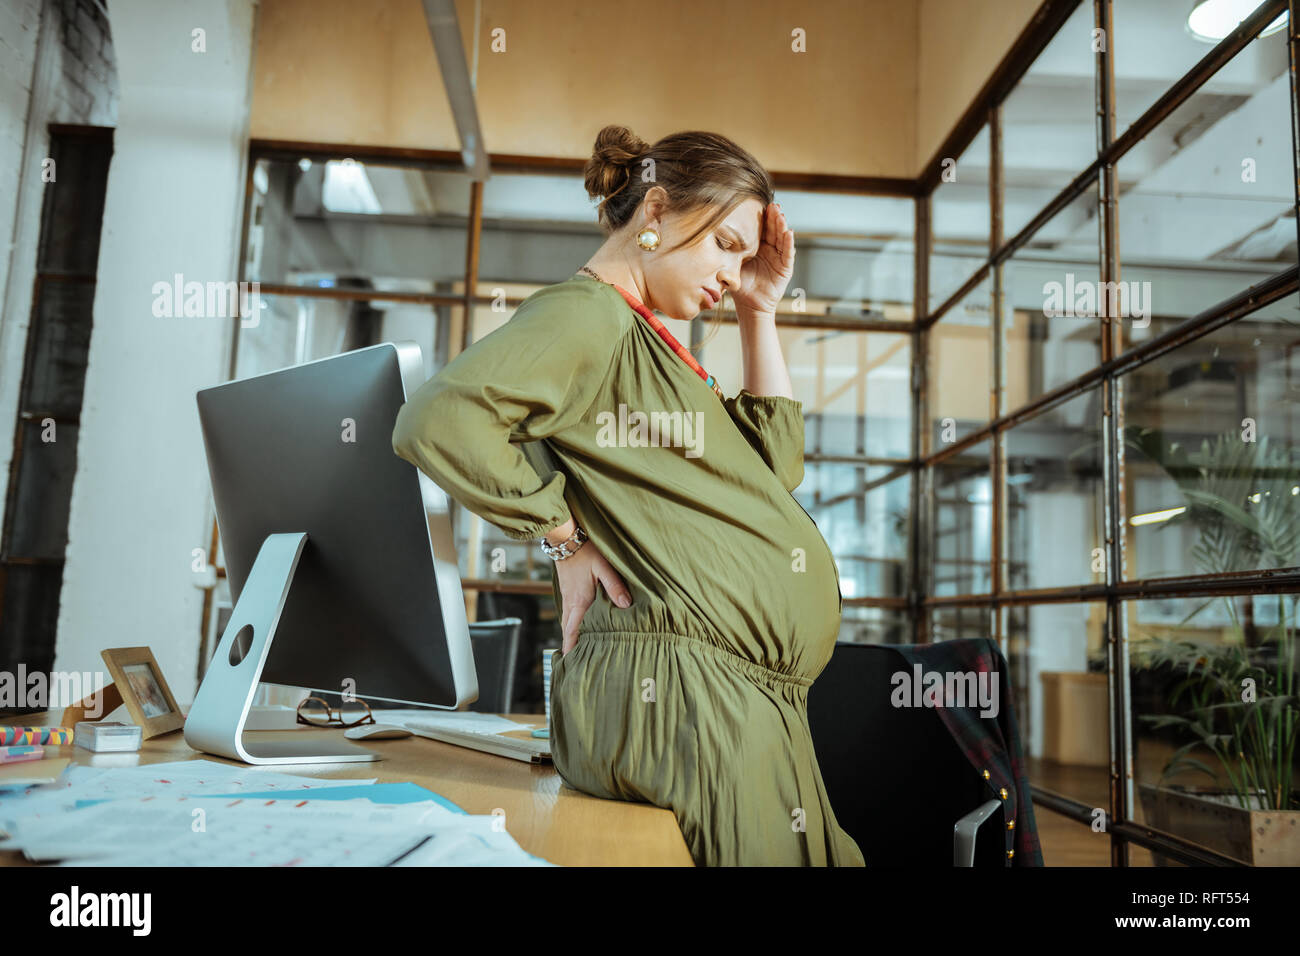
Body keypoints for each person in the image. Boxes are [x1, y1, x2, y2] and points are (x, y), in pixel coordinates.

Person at [391, 125, 865, 867]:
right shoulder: (593, 316)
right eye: (726, 247)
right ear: (656, 213)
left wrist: (759, 311)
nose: (733, 276)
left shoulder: (652, 343)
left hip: (730, 699)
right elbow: (438, 419)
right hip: (689, 697)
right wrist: (563, 537)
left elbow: (775, 469)